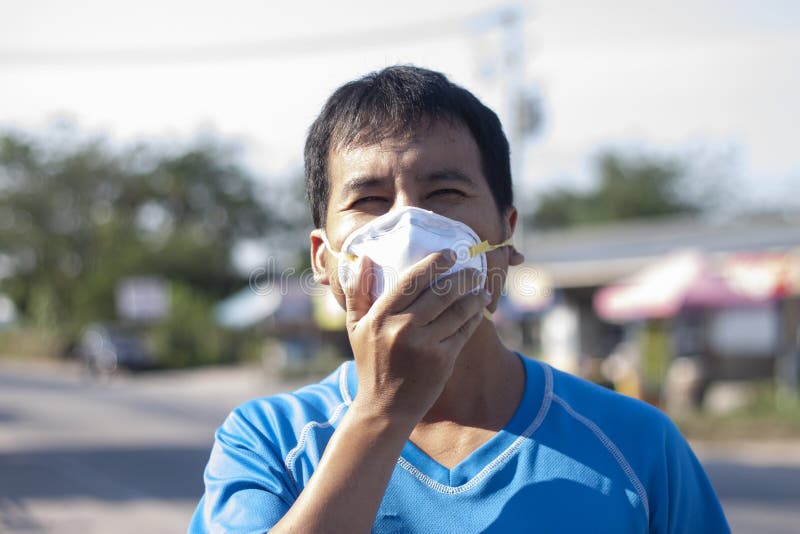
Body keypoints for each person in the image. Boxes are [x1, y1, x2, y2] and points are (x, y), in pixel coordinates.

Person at [189, 65, 729, 533]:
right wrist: (382, 411)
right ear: (323, 260)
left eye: (445, 193)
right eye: (370, 200)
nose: (408, 228)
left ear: (505, 237)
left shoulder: (638, 444)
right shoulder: (267, 441)